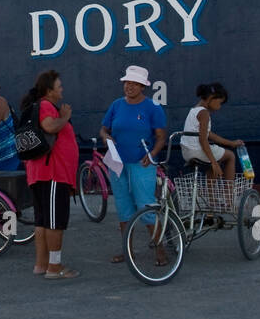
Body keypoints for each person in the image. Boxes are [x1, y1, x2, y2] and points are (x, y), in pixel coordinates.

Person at [99, 65, 167, 264]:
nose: (129, 86)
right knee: (122, 206)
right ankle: (127, 250)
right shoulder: (116, 105)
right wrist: (106, 138)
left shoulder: (153, 107)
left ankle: (160, 250)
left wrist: (152, 154)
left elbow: (161, 137)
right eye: (127, 82)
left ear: (142, 87)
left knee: (145, 204)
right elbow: (103, 129)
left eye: (134, 83)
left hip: (142, 163)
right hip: (117, 163)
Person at [22, 71, 80, 279]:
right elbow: (49, 126)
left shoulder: (39, 106)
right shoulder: (46, 106)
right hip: (53, 173)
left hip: (41, 173)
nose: (62, 89)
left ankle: (41, 264)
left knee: (42, 221)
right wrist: (65, 116)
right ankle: (54, 267)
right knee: (55, 222)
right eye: (59, 86)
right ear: (49, 90)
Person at [181, 82, 243, 179]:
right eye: (220, 103)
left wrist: (231, 143)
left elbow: (209, 134)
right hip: (197, 150)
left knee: (217, 156)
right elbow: (203, 139)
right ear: (211, 98)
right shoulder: (204, 113)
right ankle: (229, 193)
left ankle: (211, 194)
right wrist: (214, 162)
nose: (220, 106)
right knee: (230, 156)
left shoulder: (194, 110)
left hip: (187, 151)